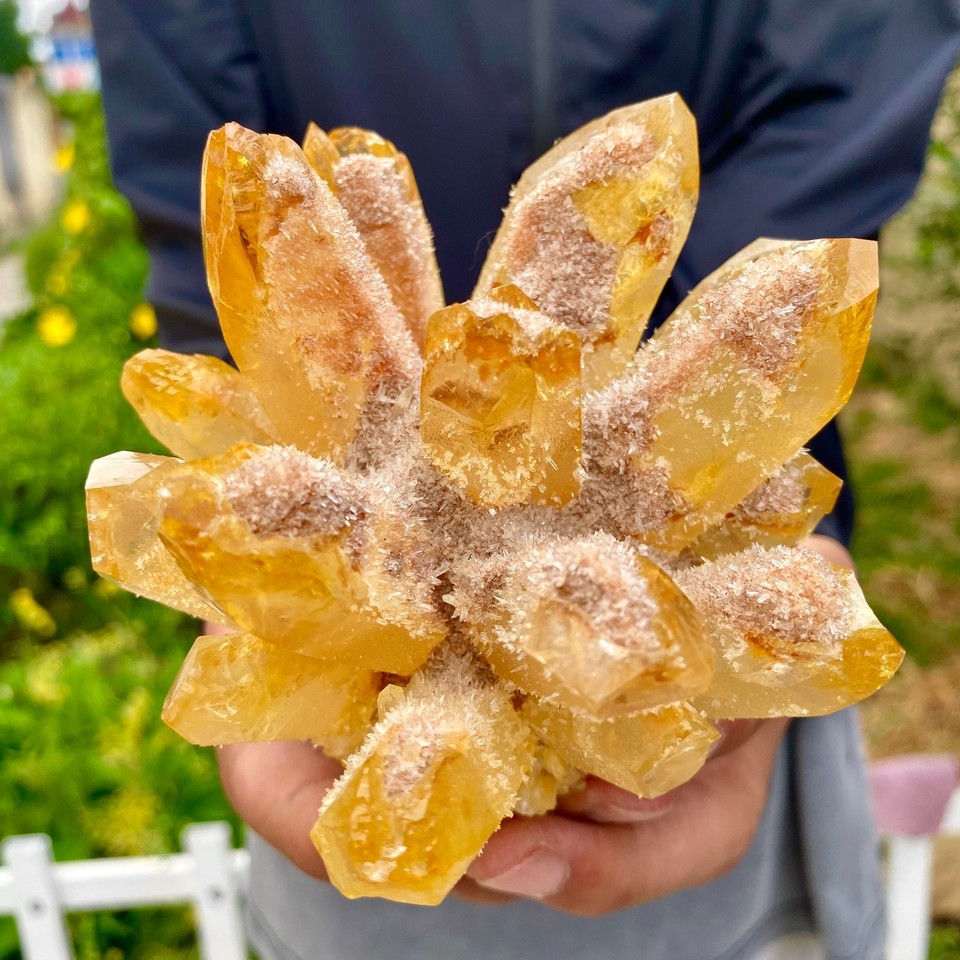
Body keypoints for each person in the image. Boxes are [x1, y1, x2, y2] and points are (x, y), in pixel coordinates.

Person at [91, 3, 960, 958]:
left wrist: (733, 491)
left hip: (691, 663)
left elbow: (838, 102)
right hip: (358, 758)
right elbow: (204, 165)